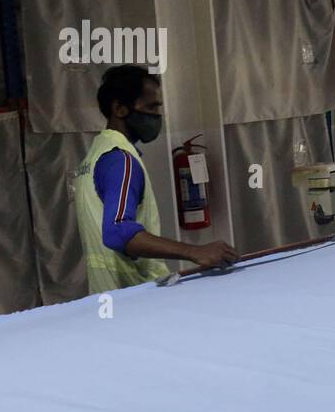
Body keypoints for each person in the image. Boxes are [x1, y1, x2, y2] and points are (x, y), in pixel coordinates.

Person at [74, 65, 238, 293]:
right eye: (151, 107)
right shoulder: (121, 160)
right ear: (120, 109)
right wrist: (194, 251)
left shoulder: (95, 155)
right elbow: (117, 231)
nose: (157, 116)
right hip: (137, 298)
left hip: (110, 297)